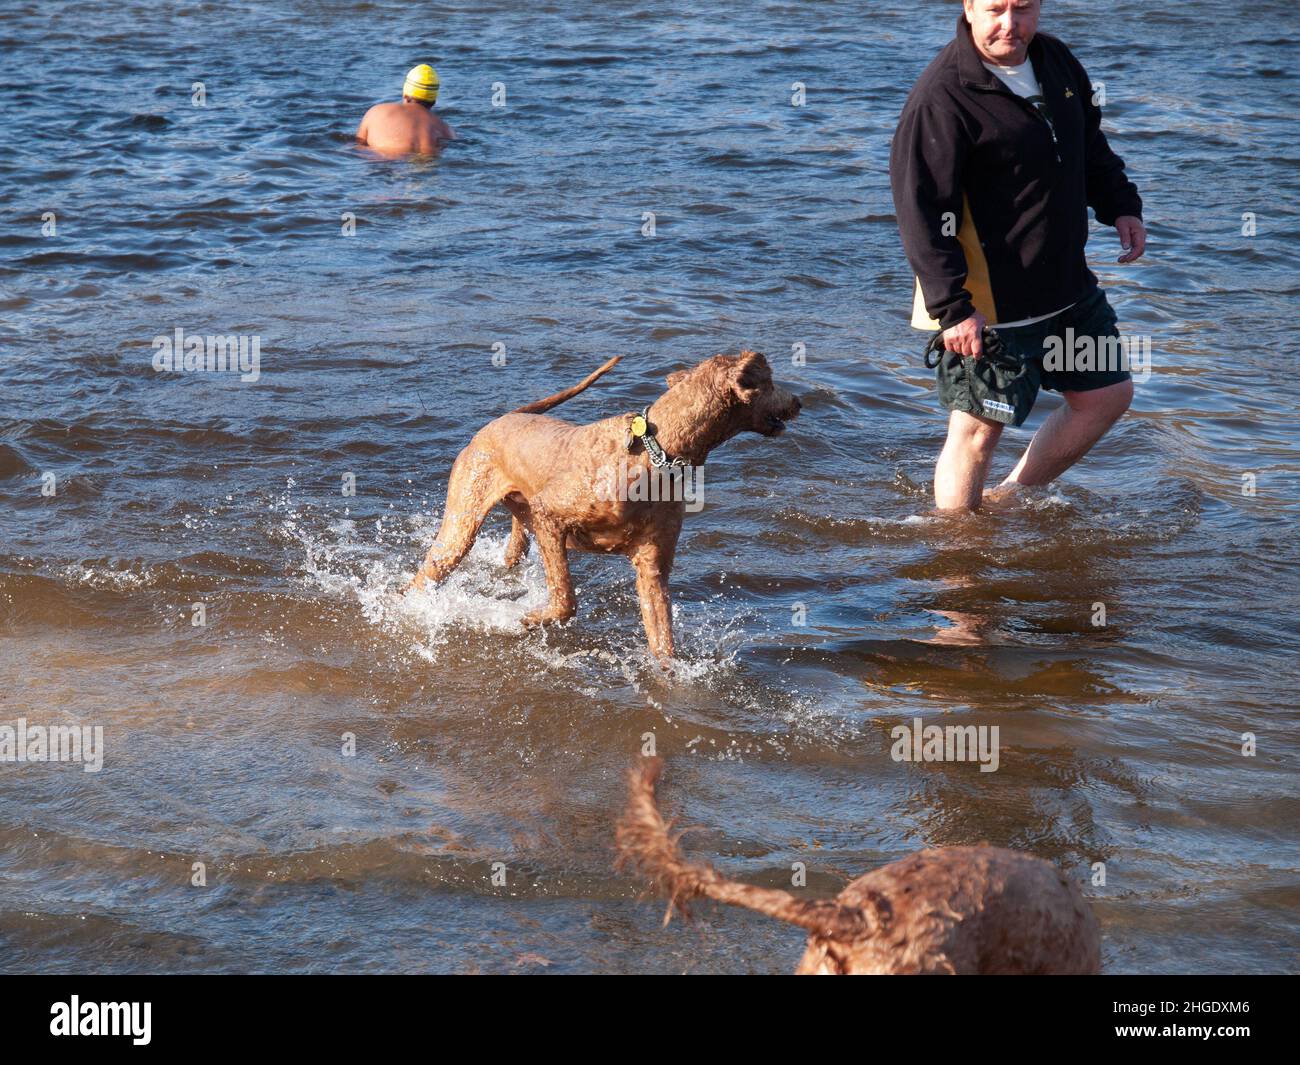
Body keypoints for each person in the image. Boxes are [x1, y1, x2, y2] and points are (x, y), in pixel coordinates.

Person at [890, 0, 1146, 510]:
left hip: (1067, 290)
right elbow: (919, 210)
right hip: (987, 303)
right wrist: (953, 309)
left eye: (1023, 8)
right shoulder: (943, 93)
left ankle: (1007, 498)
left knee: (1105, 396)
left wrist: (1120, 204)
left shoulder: (1055, 59)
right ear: (968, 9)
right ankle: (957, 558)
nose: (1011, 24)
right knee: (978, 433)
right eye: (996, 10)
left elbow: (1087, 141)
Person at [356, 64, 455, 156]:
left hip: (383, 165)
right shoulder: (446, 130)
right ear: (434, 101)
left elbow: (359, 147)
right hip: (427, 168)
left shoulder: (376, 113)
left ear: (405, 93)